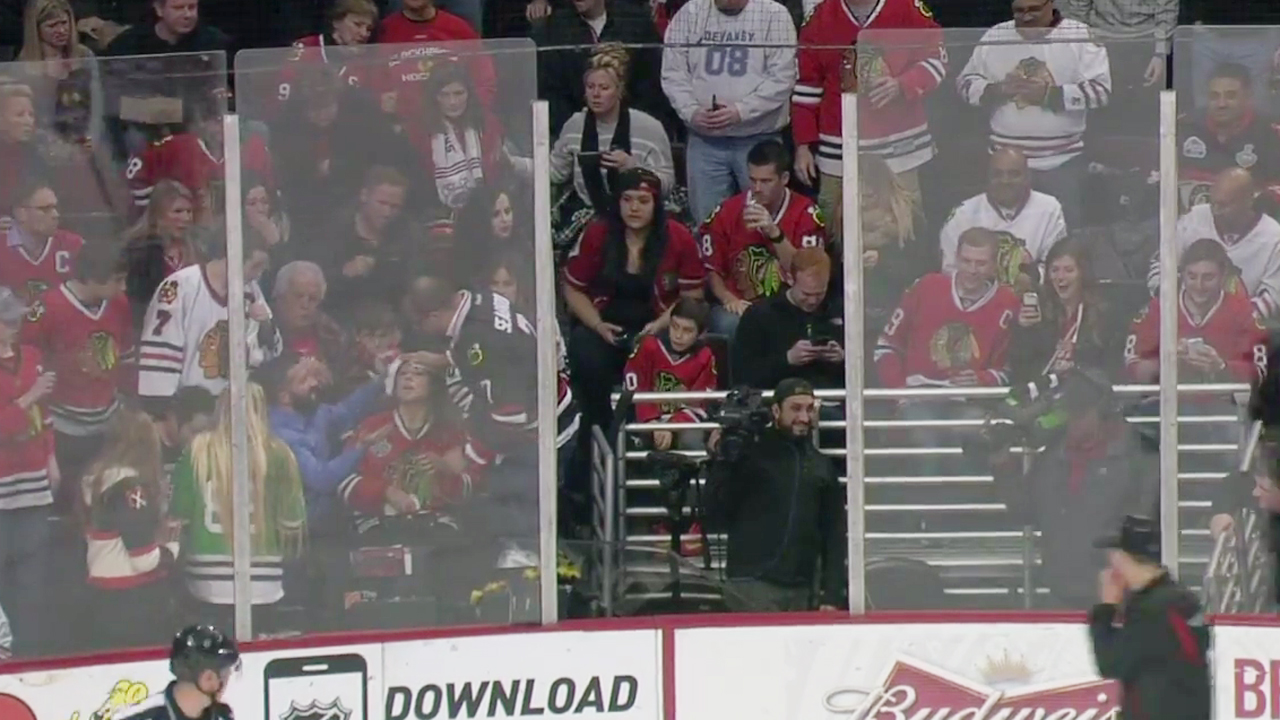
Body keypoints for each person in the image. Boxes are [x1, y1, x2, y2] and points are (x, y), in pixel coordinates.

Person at [792, 0, 945, 242]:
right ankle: (839, 279)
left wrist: (902, 84)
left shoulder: (907, 8)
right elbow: (807, 84)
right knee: (834, 227)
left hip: (900, 144)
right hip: (838, 144)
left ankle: (906, 278)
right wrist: (803, 144)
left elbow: (937, 60)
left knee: (906, 225)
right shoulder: (821, 17)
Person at [706, 378, 845, 612]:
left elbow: (834, 535)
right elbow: (715, 509)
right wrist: (722, 460)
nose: (804, 417)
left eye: (809, 409)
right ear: (775, 410)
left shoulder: (822, 465)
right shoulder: (750, 453)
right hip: (750, 585)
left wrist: (831, 595)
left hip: (802, 591)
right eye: (796, 408)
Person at [661, 0, 797, 224]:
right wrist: (691, 111)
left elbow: (783, 78)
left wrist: (741, 111)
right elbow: (673, 73)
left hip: (758, 139)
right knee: (707, 223)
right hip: (704, 142)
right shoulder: (690, 13)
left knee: (765, 221)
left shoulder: (774, 14)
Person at [699, 139, 825, 337]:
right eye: (753, 180)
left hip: (790, 305)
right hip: (739, 306)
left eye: (766, 181)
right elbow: (713, 270)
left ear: (784, 178)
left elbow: (808, 272)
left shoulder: (805, 213)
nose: (757, 188)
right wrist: (728, 299)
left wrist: (774, 233)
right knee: (729, 324)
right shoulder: (727, 212)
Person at [1090, 515, 1210, 720]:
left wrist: (1106, 608)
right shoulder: (1183, 598)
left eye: (1113, 555)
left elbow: (1110, 663)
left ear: (1122, 558)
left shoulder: (1150, 610)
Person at [0, 286, 57, 655]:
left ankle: (31, 657)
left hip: (35, 488)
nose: (14, 325)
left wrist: (51, 457)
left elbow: (44, 416)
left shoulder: (33, 356)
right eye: (7, 319)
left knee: (32, 585)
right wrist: (29, 396)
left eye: (15, 317)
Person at [731, 247, 843, 391]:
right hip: (778, 402)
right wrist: (787, 359)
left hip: (832, 398)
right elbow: (743, 377)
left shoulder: (839, 312)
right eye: (806, 294)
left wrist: (842, 359)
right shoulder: (760, 315)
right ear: (789, 279)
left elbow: (867, 372)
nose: (812, 301)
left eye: (819, 294)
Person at [623, 297, 718, 450]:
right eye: (675, 326)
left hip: (682, 422)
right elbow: (634, 385)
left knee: (692, 439)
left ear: (701, 333)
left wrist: (671, 426)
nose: (678, 335)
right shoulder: (648, 346)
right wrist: (651, 422)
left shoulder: (705, 357)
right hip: (644, 416)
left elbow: (701, 403)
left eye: (687, 330)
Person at [116, 625, 238, 720]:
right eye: (225, 672)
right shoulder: (139, 717)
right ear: (208, 678)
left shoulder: (223, 715)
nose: (227, 679)